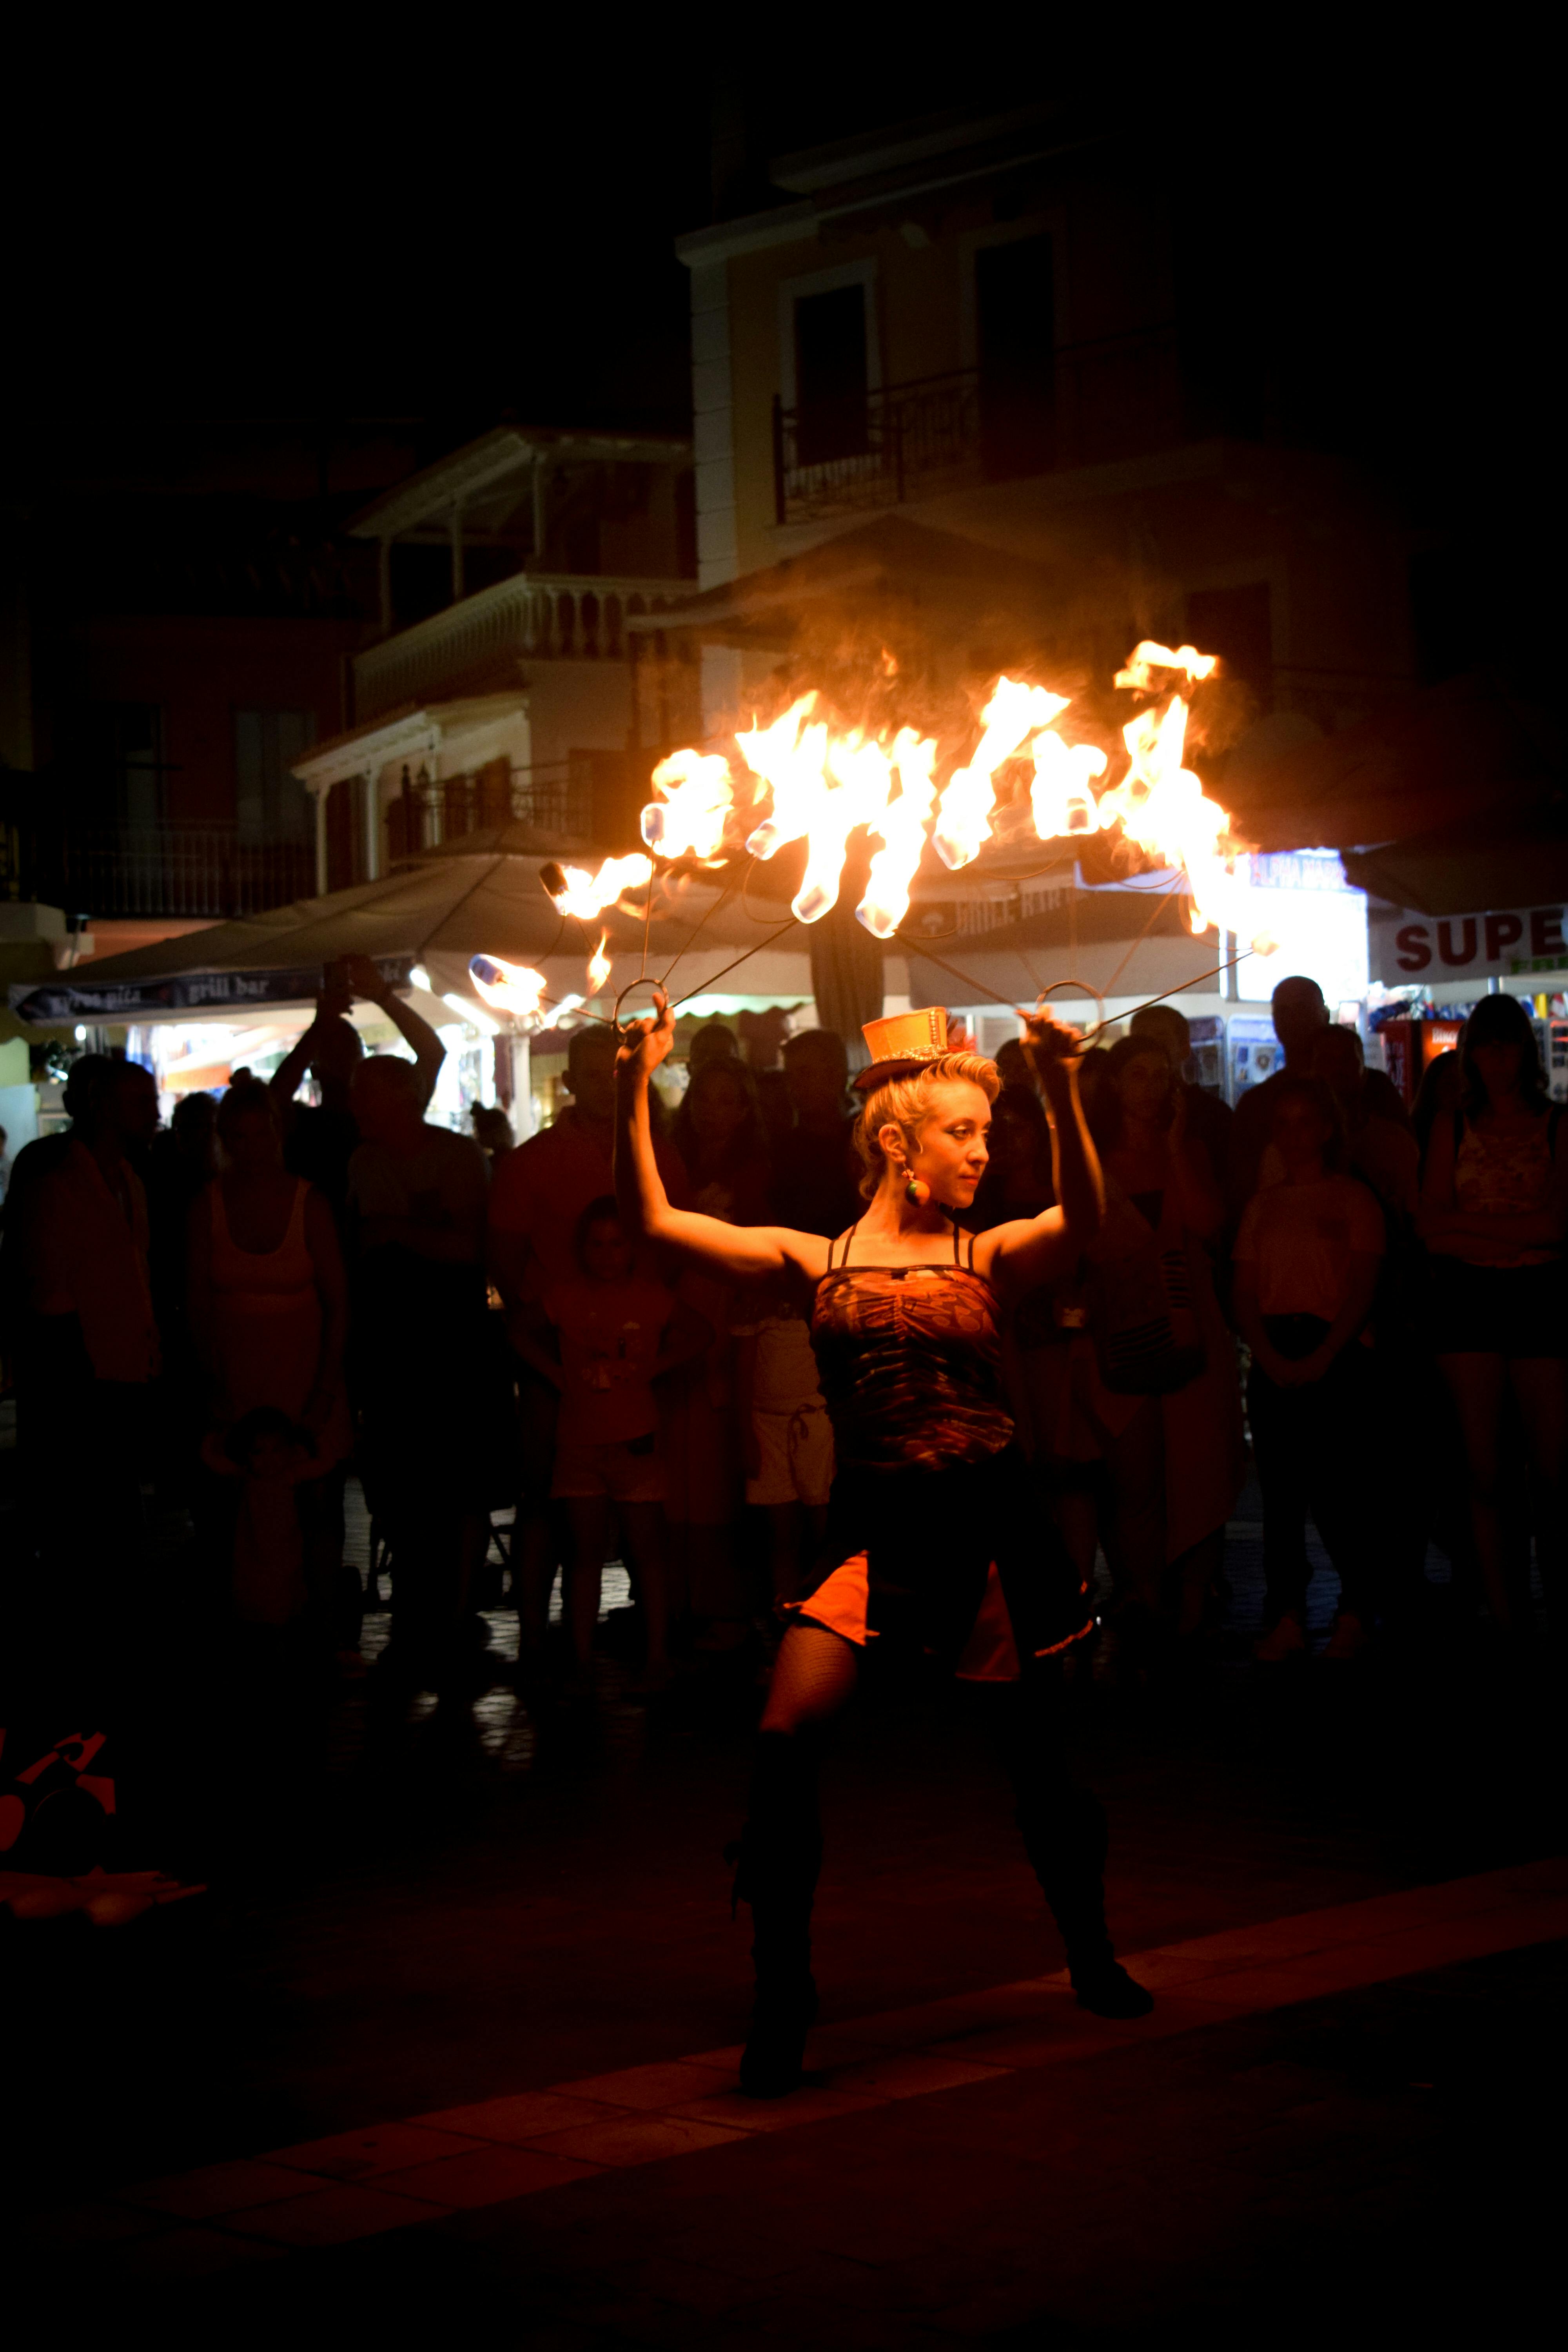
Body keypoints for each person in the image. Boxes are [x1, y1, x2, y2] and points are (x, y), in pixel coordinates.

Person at [617, 995, 1151, 2102]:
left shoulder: (989, 1253)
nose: (983, 1153)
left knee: (1039, 1770)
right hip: (872, 1531)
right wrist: (637, 1082)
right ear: (899, 1144)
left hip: (989, 1530)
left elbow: (1088, 1223)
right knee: (781, 1739)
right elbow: (661, 1225)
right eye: (966, 1134)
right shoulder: (810, 1260)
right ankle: (784, 1995)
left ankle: (1091, 1954)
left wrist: (1058, 1090)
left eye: (990, 1134)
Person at [488, 1024, 688, 1675]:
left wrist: (650, 1339)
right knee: (548, 1496)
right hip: (561, 1346)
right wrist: (551, 1343)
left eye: (617, 1072)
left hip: (637, 1346)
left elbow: (683, 1247)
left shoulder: (658, 1150)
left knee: (640, 1501)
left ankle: (642, 1627)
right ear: (572, 1080)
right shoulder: (532, 1161)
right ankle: (535, 1630)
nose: (605, 1083)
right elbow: (507, 1262)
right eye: (595, 1072)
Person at [1066, 1035, 1243, 1642]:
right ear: (1116, 1084)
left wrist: (1174, 1149)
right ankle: (1148, 1595)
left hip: (1191, 1323)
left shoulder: (1186, 1149)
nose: (1151, 1086)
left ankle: (1192, 1597)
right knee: (1134, 1479)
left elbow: (1207, 1223)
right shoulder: (1093, 1160)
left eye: (1161, 1075)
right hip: (1122, 1329)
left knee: (1202, 1467)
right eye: (1138, 1074)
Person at [512, 1196, 708, 1695]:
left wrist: (655, 1368)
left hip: (635, 1440)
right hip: (578, 1443)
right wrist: (556, 1373)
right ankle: (581, 1659)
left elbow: (701, 1332)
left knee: (647, 1553)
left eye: (616, 1244)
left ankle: (656, 1655)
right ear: (583, 1249)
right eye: (596, 1245)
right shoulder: (565, 1295)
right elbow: (517, 1330)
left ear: (632, 1249)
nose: (606, 1254)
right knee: (584, 1555)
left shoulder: (650, 1296)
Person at [1418, 993, 1568, 1633]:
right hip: (1472, 1301)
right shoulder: (1453, 1125)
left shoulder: (1558, 1124)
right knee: (1485, 1469)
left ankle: (1555, 1597)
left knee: (1553, 1467)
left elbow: (1559, 1224)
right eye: (1486, 1045)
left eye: (1507, 1045)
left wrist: (1469, 1229)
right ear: (1472, 1054)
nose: (1497, 1059)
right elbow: (1431, 1229)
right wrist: (1520, 1234)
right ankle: (1507, 1610)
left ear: (1525, 1052)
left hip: (1539, 1296)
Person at [188, 1079, 353, 1644]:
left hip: (305, 1369)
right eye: (238, 1137)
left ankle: (324, 1620)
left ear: (276, 1134)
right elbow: (195, 1303)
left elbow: (339, 1303)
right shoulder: (207, 1203)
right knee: (237, 1506)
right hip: (236, 1373)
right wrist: (210, 1378)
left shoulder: (310, 1202)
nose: (249, 1148)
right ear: (224, 1140)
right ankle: (248, 1617)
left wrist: (326, 1390)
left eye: (259, 1135)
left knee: (319, 1502)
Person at [347, 1054, 492, 1690]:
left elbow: (469, 1248)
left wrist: (393, 1230)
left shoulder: (459, 1158)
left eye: (366, 1097)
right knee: (400, 1484)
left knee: (461, 1481)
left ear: (400, 1099)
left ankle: (456, 1614)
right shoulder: (362, 1161)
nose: (357, 1109)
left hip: (449, 1337)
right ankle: (415, 1614)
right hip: (393, 1342)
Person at [1233, 1076, 1385, 1661]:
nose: (1293, 1135)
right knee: (1282, 1496)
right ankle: (1289, 1613)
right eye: (1283, 1124)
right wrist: (1268, 1355)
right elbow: (1245, 1290)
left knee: (1341, 1491)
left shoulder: (1352, 1198)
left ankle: (1353, 1608)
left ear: (1324, 1130)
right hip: (1280, 1345)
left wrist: (1325, 1355)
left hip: (1337, 1350)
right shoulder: (1262, 1206)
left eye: (1304, 1122)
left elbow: (1363, 1287)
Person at [269, 955, 446, 1219]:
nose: (348, 1065)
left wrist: (383, 996)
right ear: (317, 1071)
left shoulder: (387, 1114)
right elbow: (273, 1099)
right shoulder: (309, 1125)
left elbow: (433, 1054)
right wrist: (381, 997)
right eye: (338, 1054)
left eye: (352, 1053)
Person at [1230, 975, 1408, 1204]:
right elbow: (1241, 1192)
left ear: (1324, 1014)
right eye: (1283, 1012)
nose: (1292, 1019)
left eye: (1301, 1008)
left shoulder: (1376, 1088)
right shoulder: (1255, 1104)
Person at [769, 1029, 862, 1238]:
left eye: (804, 1073)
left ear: (836, 1074)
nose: (794, 1085)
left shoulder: (866, 1142)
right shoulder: (781, 1152)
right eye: (789, 1076)